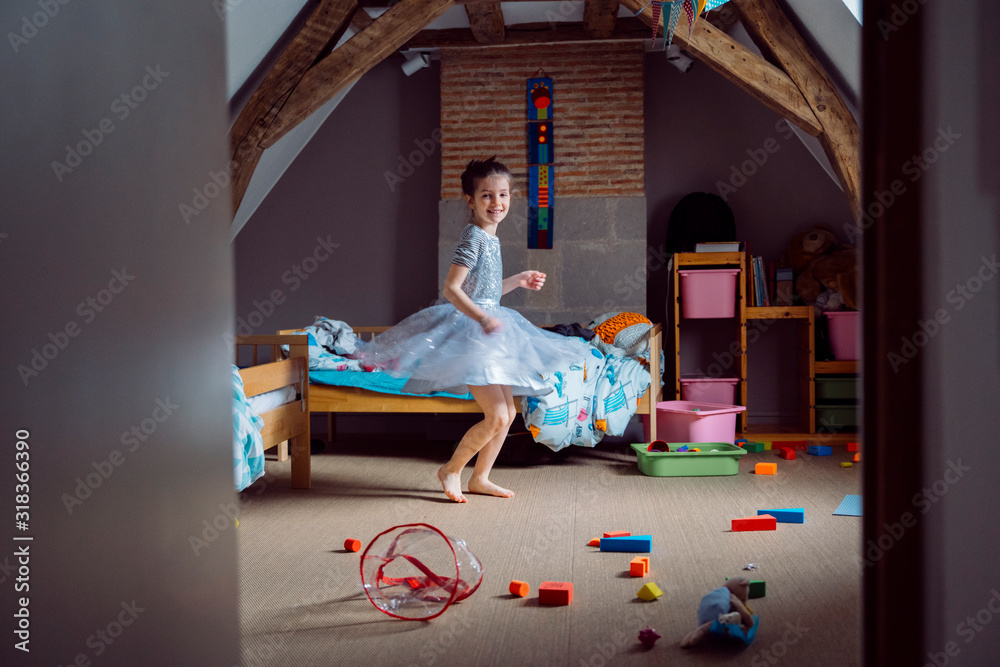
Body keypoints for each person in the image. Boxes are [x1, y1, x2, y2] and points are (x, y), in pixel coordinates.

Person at [356, 157, 590, 503]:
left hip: (490, 327)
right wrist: (481, 318)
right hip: (473, 333)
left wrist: (517, 280)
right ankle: (451, 470)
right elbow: (453, 289)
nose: (496, 203)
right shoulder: (474, 237)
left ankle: (480, 478)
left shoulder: (490, 238)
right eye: (486, 196)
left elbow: (486, 292)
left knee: (508, 414)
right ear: (470, 200)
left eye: (503, 195)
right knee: (496, 415)